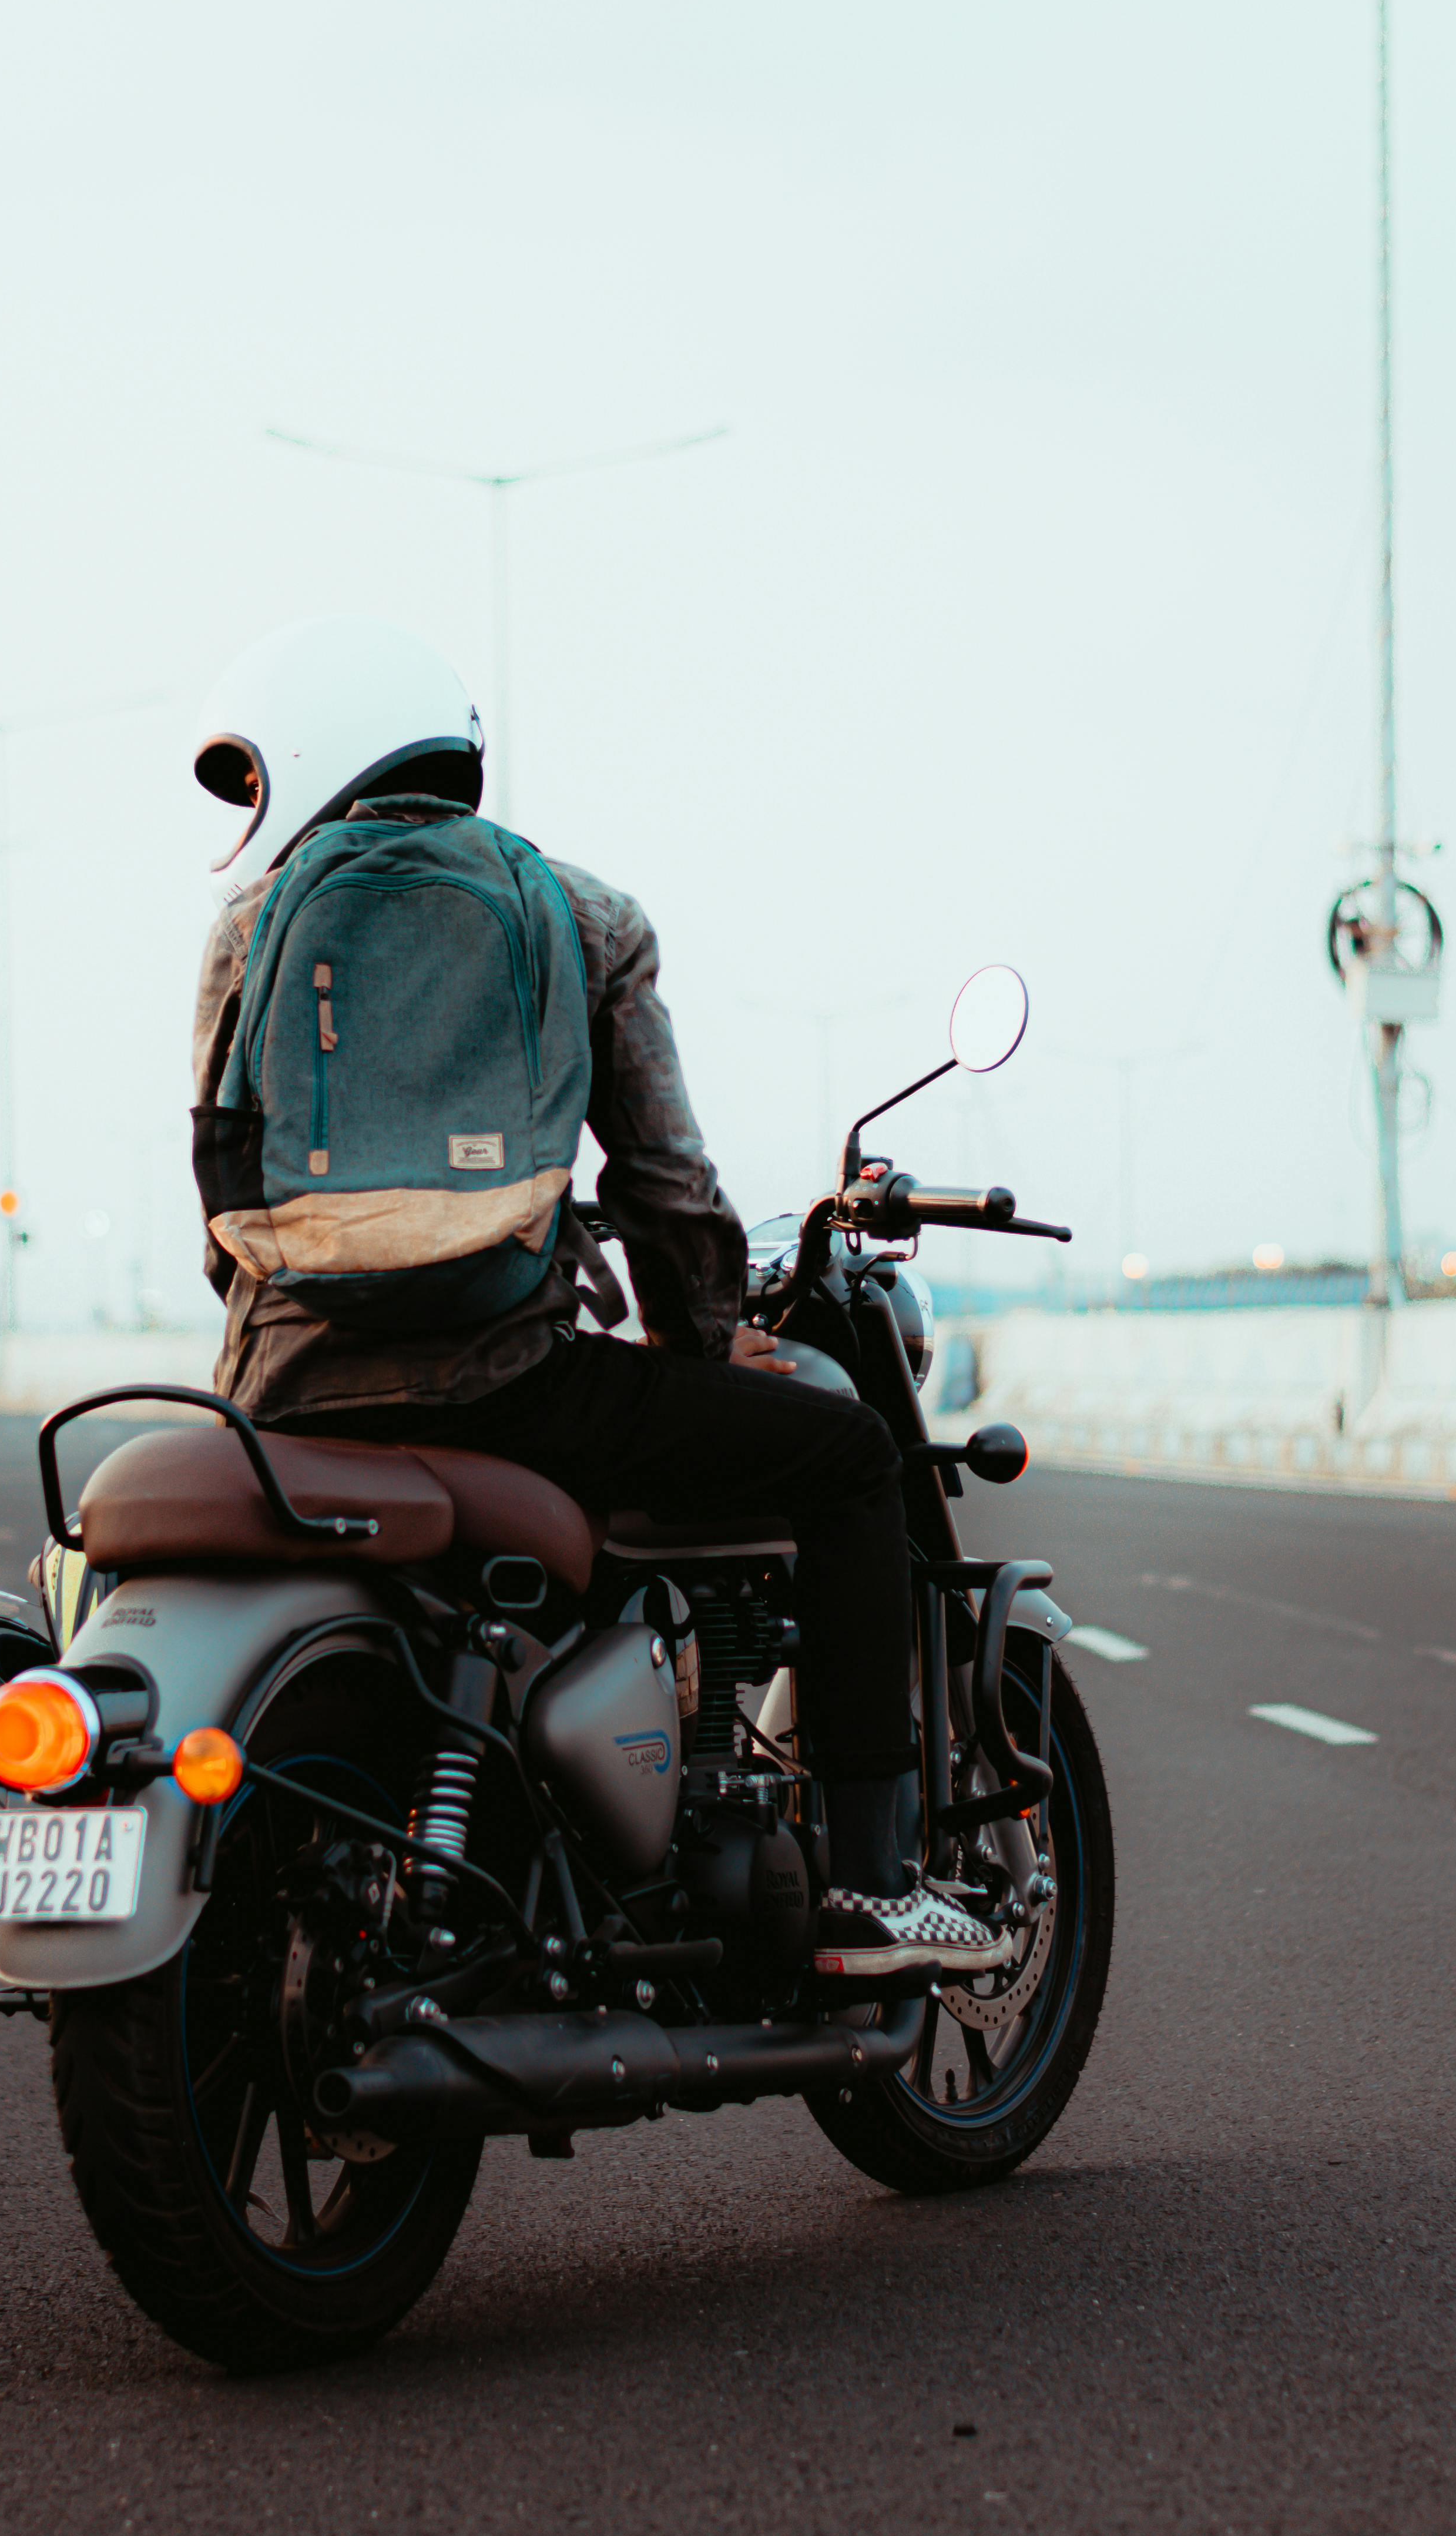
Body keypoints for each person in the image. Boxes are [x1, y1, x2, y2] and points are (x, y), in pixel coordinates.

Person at [189, 616, 995, 1978]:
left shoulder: (247, 929)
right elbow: (666, 1184)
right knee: (851, 1455)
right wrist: (700, 1338)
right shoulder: (580, 915)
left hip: (286, 1398)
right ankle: (869, 1888)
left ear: (315, 755)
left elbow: (224, 1192)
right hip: (510, 1390)